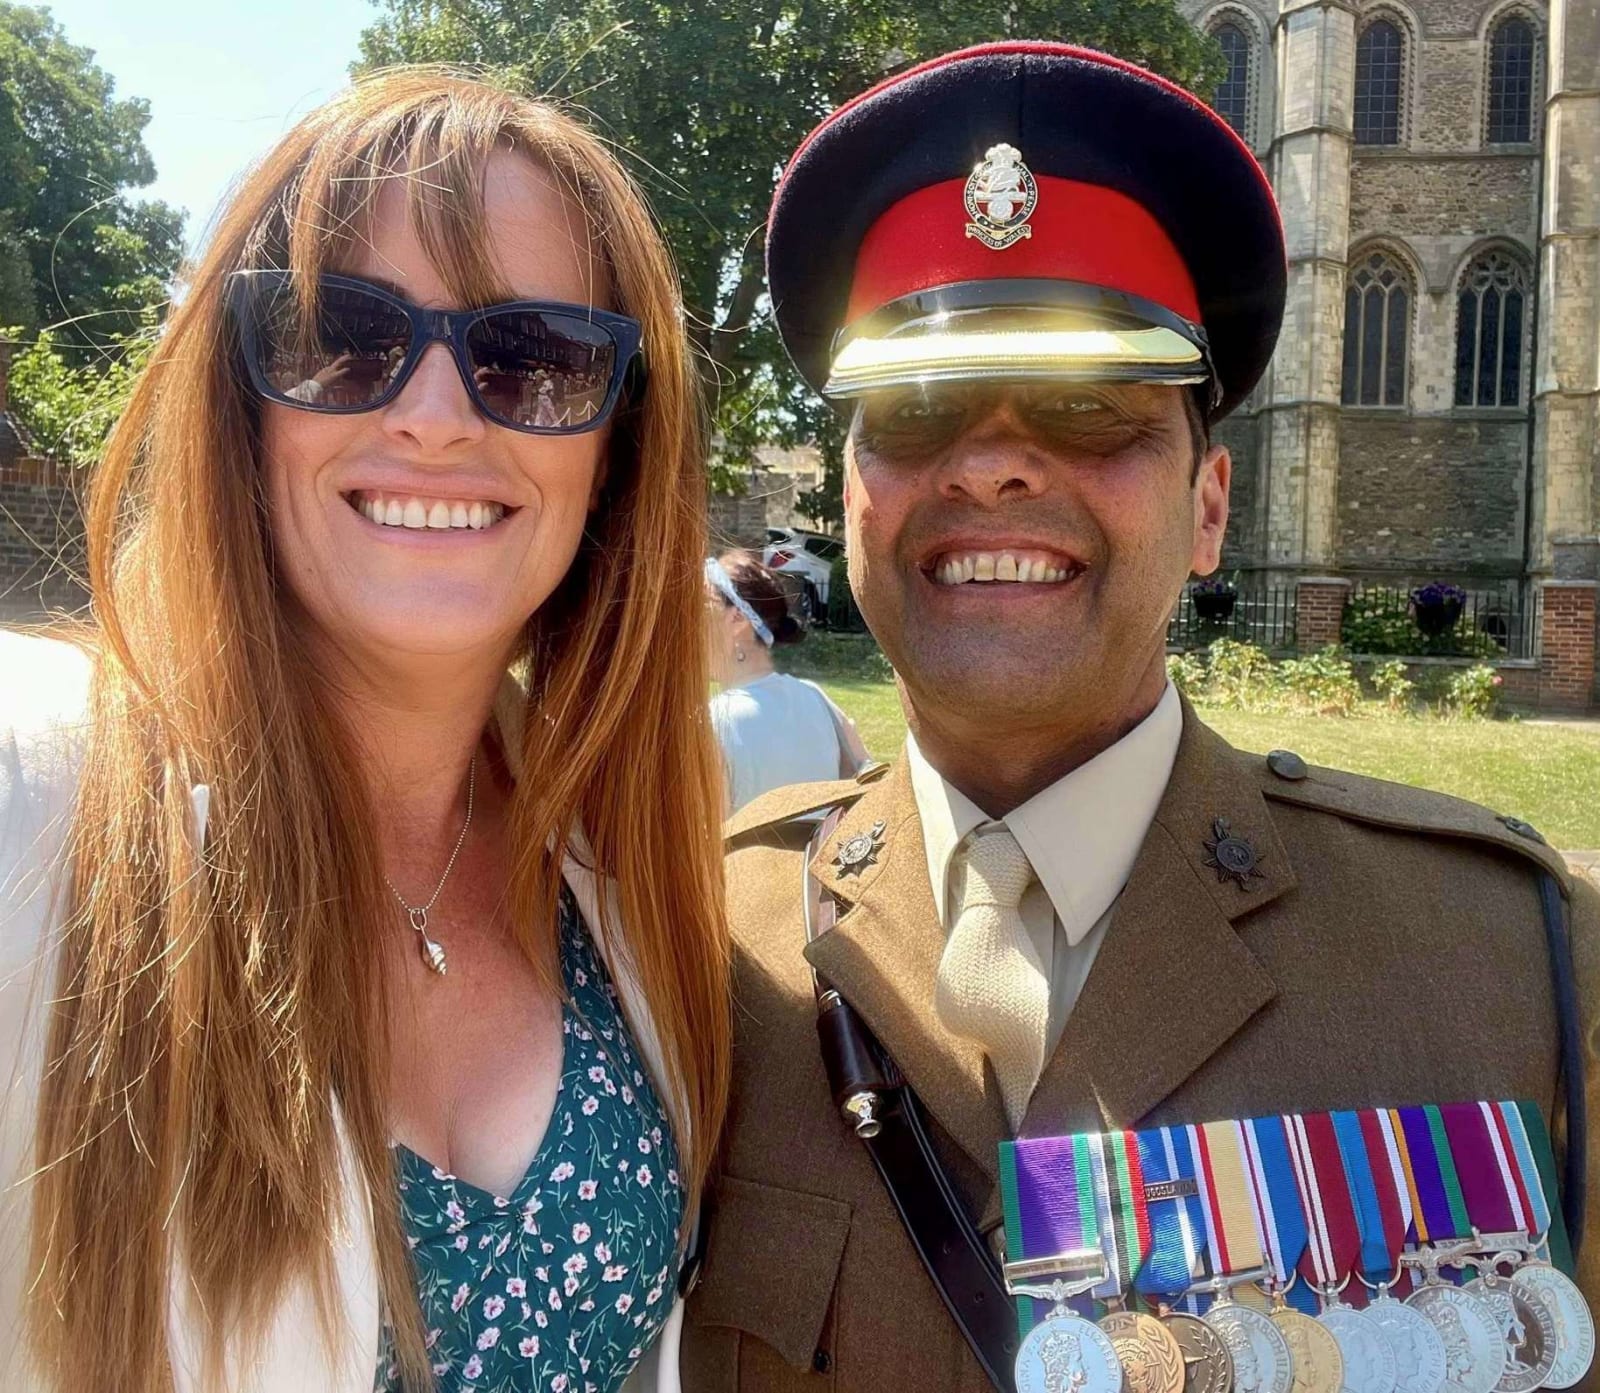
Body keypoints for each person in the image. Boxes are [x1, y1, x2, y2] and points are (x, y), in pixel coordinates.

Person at [681, 42, 1600, 1390]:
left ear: (1212, 506)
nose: (993, 463)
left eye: (1088, 409)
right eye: (920, 409)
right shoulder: (704, 946)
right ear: (853, 487)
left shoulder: (1521, 963)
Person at [0, 70, 729, 1393]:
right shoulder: (35, 792)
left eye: (533, 357)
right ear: (241, 402)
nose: (435, 415)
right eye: (341, 336)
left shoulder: (628, 875)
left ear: (618, 451)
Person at [704, 550, 869, 812]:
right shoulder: (818, 699)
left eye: (702, 607)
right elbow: (866, 789)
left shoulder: (713, 723)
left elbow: (707, 844)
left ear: (737, 619)